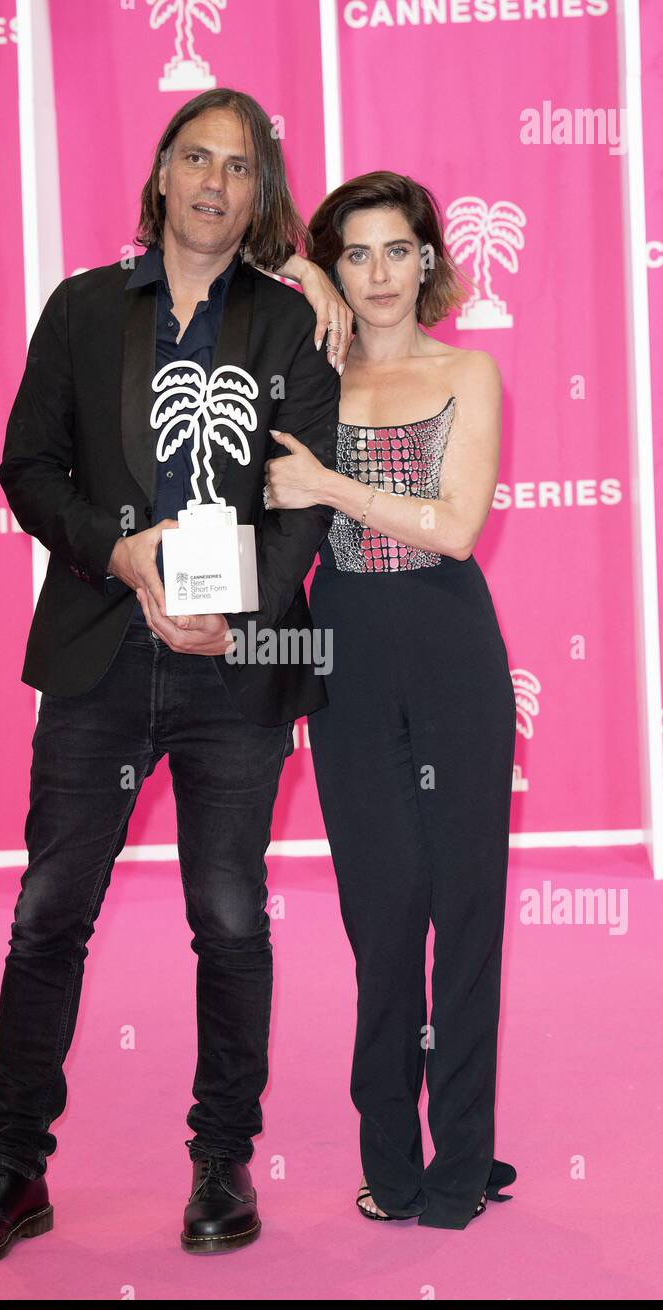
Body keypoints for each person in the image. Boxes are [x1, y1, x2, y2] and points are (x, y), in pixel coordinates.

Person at [0, 88, 351, 1268]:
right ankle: (13, 1170)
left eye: (240, 168)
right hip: (100, 652)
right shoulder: (77, 310)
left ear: (259, 196)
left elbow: (301, 497)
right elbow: (26, 465)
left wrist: (246, 612)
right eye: (196, 159)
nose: (216, 183)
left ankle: (220, 1161)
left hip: (239, 669)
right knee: (48, 912)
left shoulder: (288, 325)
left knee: (227, 914)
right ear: (162, 175)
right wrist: (114, 548)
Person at [264, 171, 518, 1230]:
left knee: (465, 912)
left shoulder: (470, 370)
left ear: (427, 260)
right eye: (352, 253)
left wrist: (330, 488)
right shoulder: (301, 377)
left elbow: (454, 529)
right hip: (348, 647)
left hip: (452, 642)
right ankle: (388, 1158)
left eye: (394, 250)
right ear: (333, 265)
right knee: (381, 915)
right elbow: (207, 267)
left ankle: (461, 1158)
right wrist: (287, 271)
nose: (376, 274)